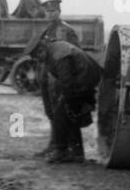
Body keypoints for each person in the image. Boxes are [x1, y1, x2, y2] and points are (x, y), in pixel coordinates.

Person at [33, 35, 102, 163]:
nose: (39, 60)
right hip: (84, 80)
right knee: (71, 115)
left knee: (60, 114)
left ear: (41, 50)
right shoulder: (54, 50)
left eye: (38, 56)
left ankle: (61, 151)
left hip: (83, 82)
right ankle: (77, 153)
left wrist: (63, 99)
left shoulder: (59, 56)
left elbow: (67, 82)